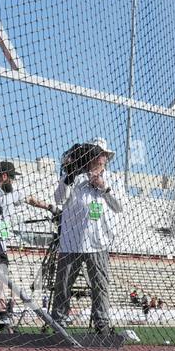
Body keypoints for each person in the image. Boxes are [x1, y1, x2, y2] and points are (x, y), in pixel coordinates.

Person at [52, 138, 123, 332]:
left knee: (100, 285)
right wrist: (69, 177)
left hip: (99, 242)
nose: (100, 158)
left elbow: (119, 206)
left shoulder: (114, 179)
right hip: (71, 242)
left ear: (106, 158)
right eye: (96, 154)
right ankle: (59, 323)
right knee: (63, 285)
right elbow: (59, 199)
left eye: (102, 154)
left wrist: (104, 187)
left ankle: (102, 324)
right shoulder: (76, 177)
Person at [0, 159, 55, 328]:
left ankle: (2, 314)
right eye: (11, 177)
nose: (13, 181)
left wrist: (50, 207)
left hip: (1, 246)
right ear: (4, 176)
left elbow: (30, 199)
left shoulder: (11, 193)